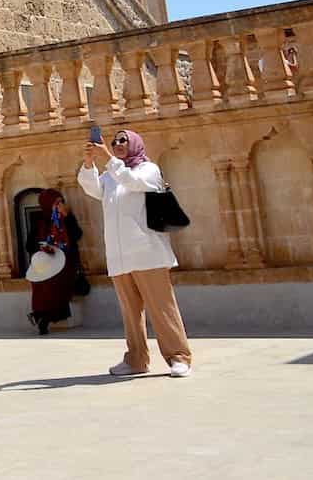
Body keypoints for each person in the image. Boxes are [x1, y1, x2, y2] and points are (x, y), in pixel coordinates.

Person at [79, 128, 193, 377]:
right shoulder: (110, 176)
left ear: (135, 144)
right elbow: (92, 189)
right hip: (120, 256)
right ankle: (136, 360)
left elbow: (132, 182)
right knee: (130, 314)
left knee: (161, 307)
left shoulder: (147, 170)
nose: (118, 143)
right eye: (114, 140)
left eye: (123, 140)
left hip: (147, 253)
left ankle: (178, 356)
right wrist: (89, 164)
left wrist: (108, 158)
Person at [25, 189, 83, 336]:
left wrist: (67, 217)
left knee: (56, 282)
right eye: (56, 203)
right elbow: (29, 245)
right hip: (46, 260)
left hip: (65, 260)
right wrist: (43, 249)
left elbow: (77, 235)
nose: (60, 205)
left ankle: (45, 317)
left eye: (61, 202)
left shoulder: (66, 219)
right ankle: (39, 314)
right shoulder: (40, 222)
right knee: (39, 283)